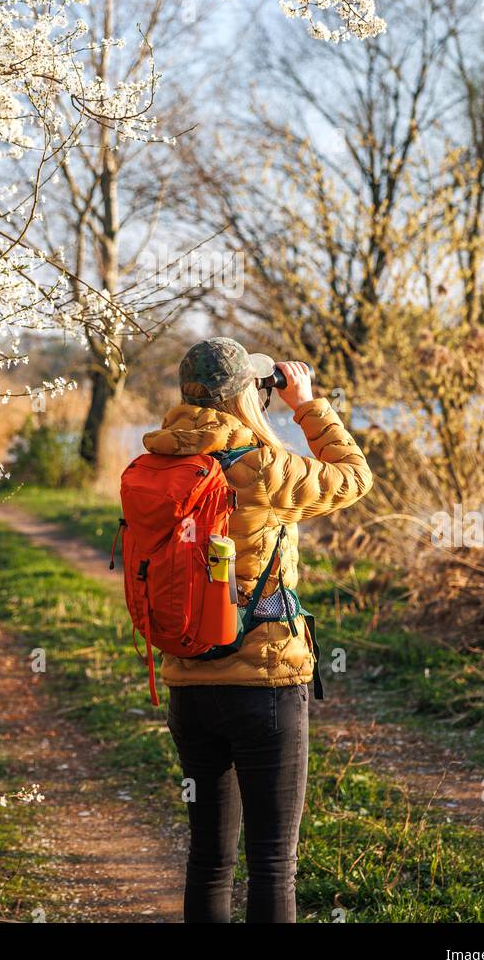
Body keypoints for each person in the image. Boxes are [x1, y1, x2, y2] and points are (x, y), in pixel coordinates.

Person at [141, 337, 373, 924]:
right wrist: (307, 405)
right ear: (249, 391)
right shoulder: (261, 466)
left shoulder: (154, 464)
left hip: (188, 684)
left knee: (209, 858)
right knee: (272, 861)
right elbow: (353, 478)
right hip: (265, 686)